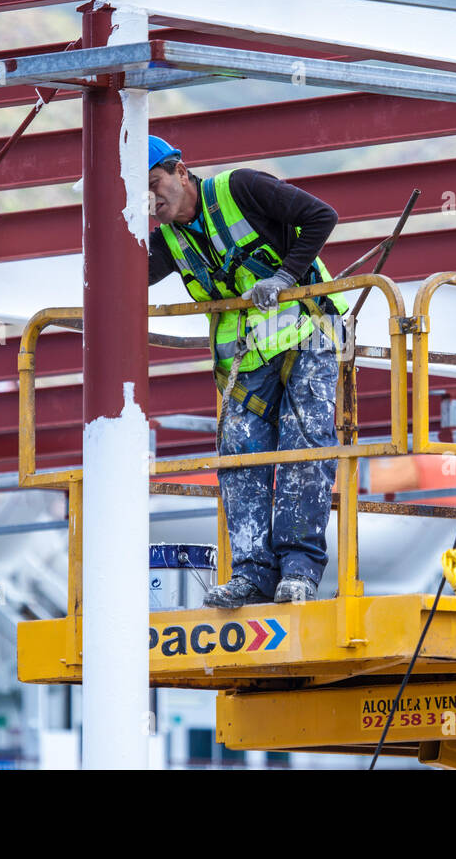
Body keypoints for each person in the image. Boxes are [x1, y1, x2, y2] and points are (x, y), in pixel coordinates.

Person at [146, 135, 349, 607]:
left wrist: (285, 276)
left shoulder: (240, 189)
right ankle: (253, 574)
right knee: (238, 457)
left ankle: (299, 570)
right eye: (139, 194)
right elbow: (122, 274)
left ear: (180, 171)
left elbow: (322, 216)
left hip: (309, 330)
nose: (152, 200)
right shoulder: (167, 241)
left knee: (304, 446)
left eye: (155, 184)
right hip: (248, 356)